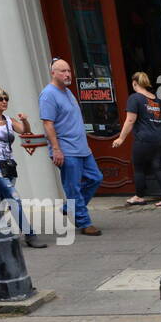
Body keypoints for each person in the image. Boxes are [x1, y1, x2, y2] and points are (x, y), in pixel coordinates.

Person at [39, 57, 102, 236]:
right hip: (66, 150)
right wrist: (56, 149)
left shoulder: (68, 92)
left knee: (96, 178)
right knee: (72, 187)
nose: (67, 74)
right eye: (63, 71)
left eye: (68, 71)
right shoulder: (48, 94)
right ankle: (84, 222)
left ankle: (70, 206)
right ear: (53, 73)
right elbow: (48, 124)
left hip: (82, 148)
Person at [0, 86, 44, 248]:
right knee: (13, 197)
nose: (4, 102)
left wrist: (24, 120)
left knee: (2, 200)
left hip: (8, 165)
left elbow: (25, 132)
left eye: (6, 99)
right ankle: (30, 235)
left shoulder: (8, 120)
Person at [112, 72, 161, 207]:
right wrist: (158, 116)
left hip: (144, 139)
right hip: (160, 138)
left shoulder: (134, 98)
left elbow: (130, 120)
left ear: (134, 83)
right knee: (157, 167)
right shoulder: (155, 99)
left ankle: (139, 196)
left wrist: (121, 138)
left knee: (139, 168)